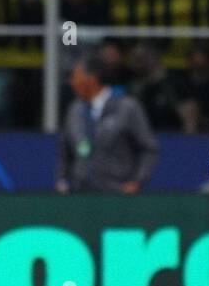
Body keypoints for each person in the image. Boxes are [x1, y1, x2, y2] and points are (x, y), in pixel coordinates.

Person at [56, 56, 159, 194]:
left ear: (91, 79)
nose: (72, 83)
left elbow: (149, 148)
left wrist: (136, 182)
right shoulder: (75, 110)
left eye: (75, 77)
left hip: (116, 195)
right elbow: (65, 151)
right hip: (79, 195)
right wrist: (62, 181)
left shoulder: (127, 108)